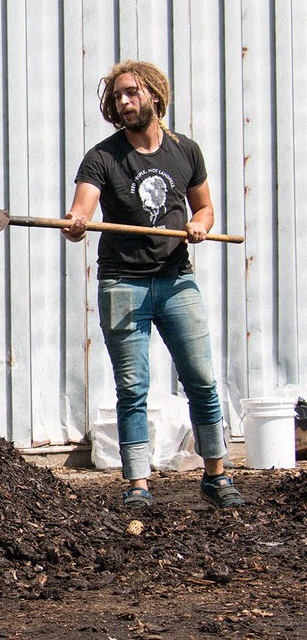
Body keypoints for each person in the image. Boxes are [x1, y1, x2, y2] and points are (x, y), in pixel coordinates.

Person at [61, 61, 244, 509]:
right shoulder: (103, 157)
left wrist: (200, 226)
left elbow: (204, 210)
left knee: (201, 378)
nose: (124, 102)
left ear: (154, 97)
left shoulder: (185, 151)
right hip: (123, 283)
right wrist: (77, 223)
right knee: (133, 386)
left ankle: (216, 474)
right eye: (118, 97)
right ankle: (138, 483)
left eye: (131, 93)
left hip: (176, 280)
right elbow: (79, 209)